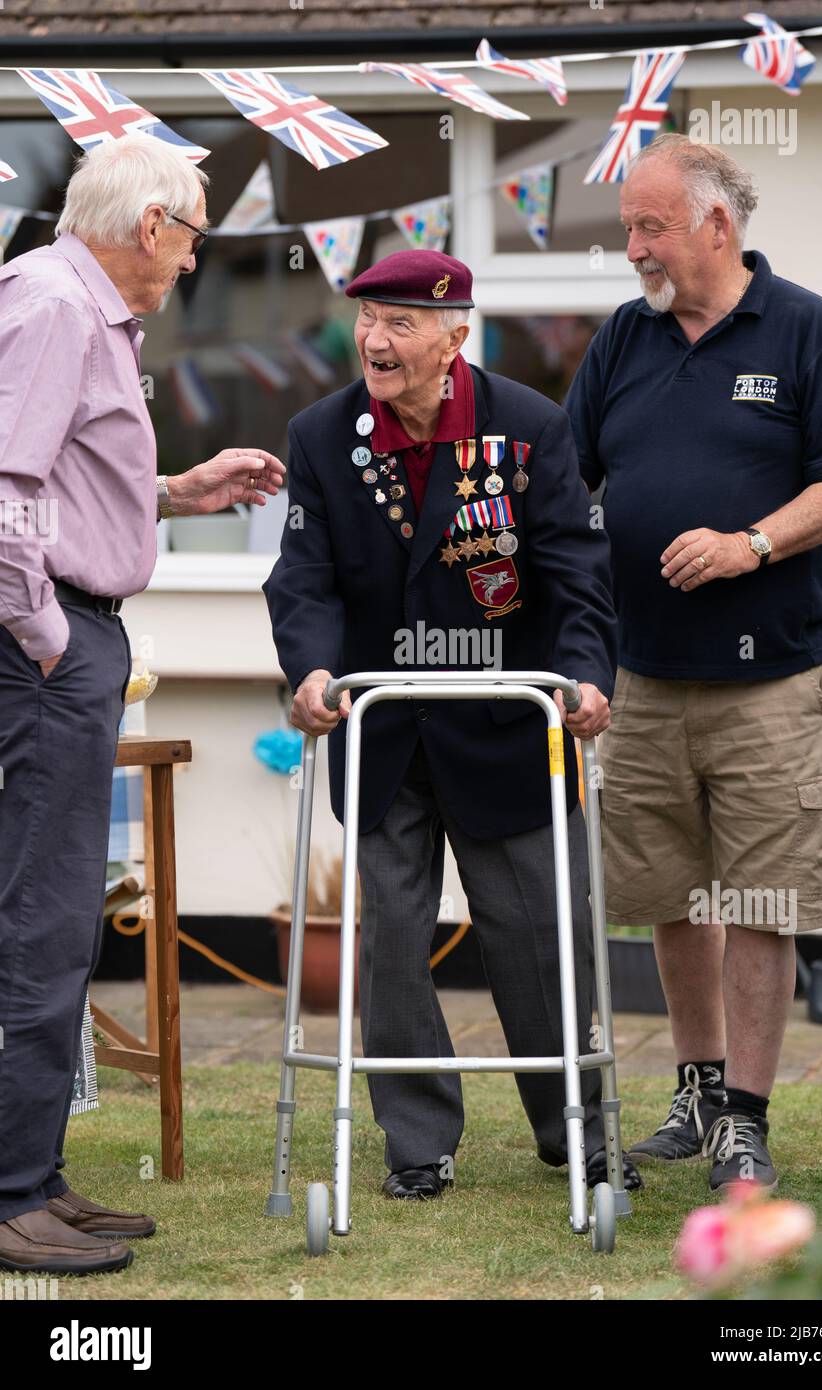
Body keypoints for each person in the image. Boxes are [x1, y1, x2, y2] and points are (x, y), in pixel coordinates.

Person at [265, 248, 643, 1200]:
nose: (374, 342)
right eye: (366, 320)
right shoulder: (322, 433)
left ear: (453, 337)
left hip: (506, 725)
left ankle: (579, 1133)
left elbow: (574, 576)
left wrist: (587, 677)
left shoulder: (528, 428)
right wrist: (310, 670)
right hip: (383, 725)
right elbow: (302, 578)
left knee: (540, 934)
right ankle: (417, 1144)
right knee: (392, 937)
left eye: (398, 325)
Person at [564, 134, 822, 1194]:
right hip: (643, 675)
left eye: (648, 228)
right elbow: (566, 486)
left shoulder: (802, 328)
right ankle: (695, 1089)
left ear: (715, 223)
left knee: (759, 897)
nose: (633, 251)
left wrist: (748, 542)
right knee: (667, 893)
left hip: (767, 680)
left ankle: (745, 1118)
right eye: (627, 231)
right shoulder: (622, 339)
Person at [0, 133, 284, 1275]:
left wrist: (174, 493)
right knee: (41, 914)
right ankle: (12, 1191)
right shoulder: (55, 307)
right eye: (194, 234)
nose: (193, 258)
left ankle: (36, 1174)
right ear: (151, 226)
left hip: (64, 640)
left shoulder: (74, 306)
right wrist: (50, 637)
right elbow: (6, 492)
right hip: (45, 652)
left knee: (59, 913)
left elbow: (63, 483)